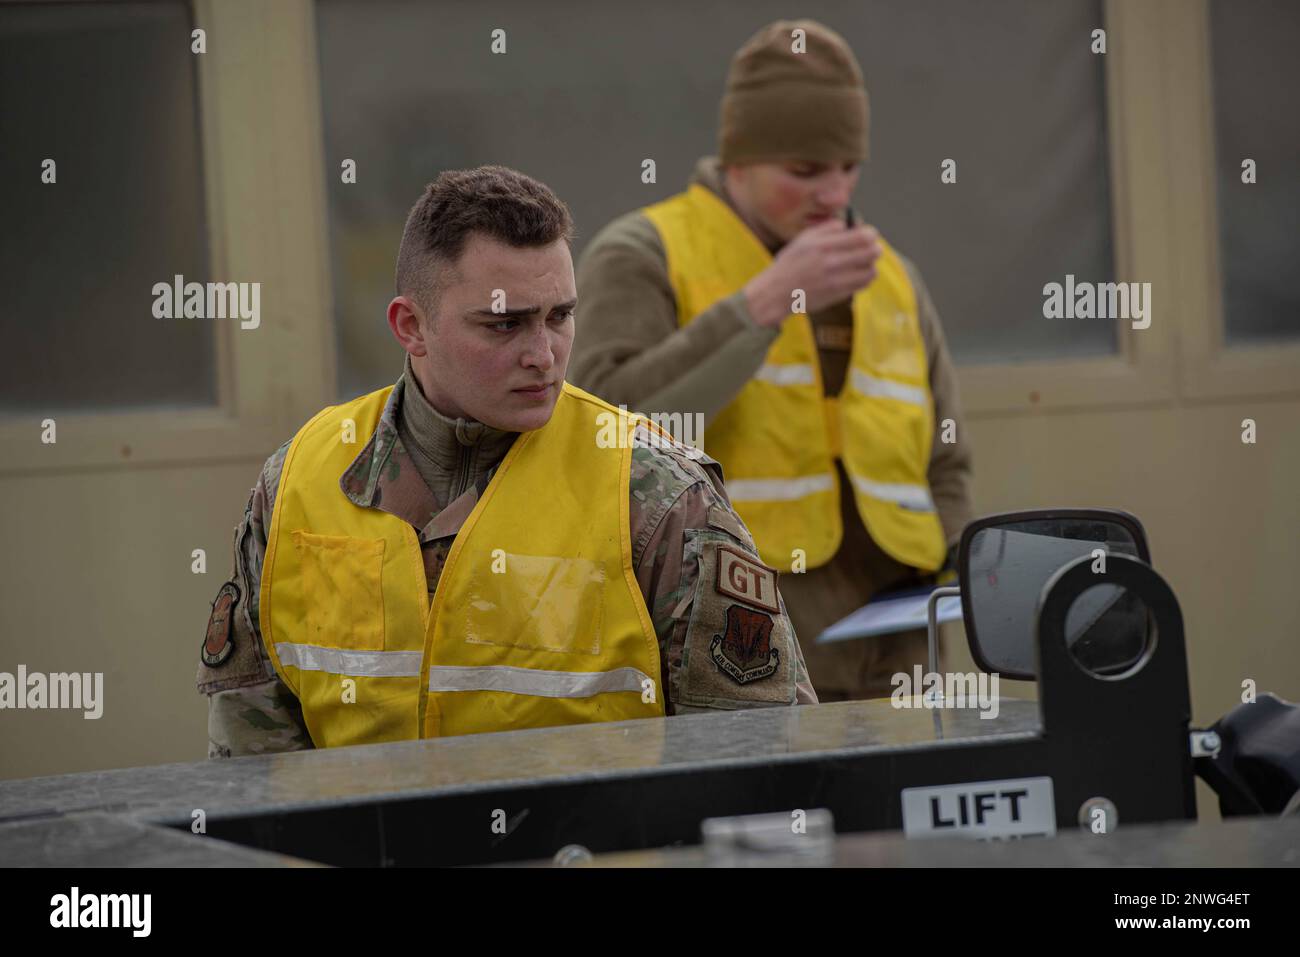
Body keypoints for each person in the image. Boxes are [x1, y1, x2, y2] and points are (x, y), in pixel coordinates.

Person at [196, 166, 814, 756]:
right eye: (504, 324)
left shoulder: (654, 494)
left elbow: (759, 757)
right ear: (411, 326)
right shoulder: (299, 480)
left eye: (560, 316)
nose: (544, 355)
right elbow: (255, 760)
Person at [568, 20, 974, 702]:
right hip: (739, 646)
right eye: (806, 171)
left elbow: (945, 459)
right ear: (737, 158)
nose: (834, 195)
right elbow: (606, 431)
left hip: (902, 649)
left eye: (849, 169)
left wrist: (964, 576)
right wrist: (761, 305)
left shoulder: (892, 276)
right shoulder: (642, 252)